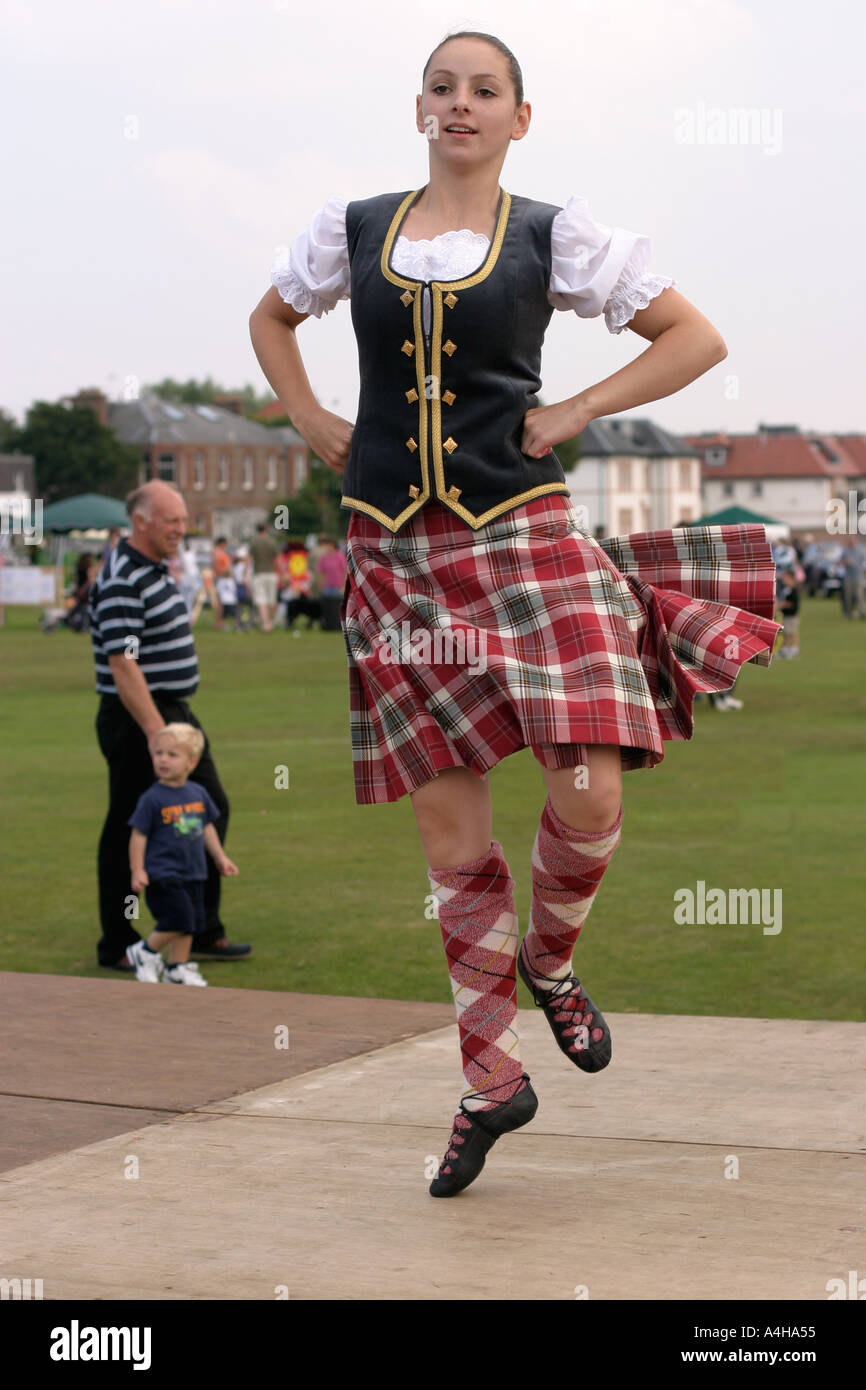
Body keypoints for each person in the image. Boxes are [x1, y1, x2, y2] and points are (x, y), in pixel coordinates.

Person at [249, 30, 782, 1198]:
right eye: (441, 88)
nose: (459, 105)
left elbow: (696, 337)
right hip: (394, 553)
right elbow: (269, 321)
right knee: (450, 844)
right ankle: (488, 1080)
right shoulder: (354, 230)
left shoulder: (553, 234)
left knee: (588, 788)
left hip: (526, 539)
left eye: (482, 91)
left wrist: (577, 406)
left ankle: (550, 960)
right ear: (419, 108)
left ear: (517, 118)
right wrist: (306, 417)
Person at [88, 481, 252, 970]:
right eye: (171, 520)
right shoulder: (123, 576)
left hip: (172, 712)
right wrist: (158, 732)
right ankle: (117, 941)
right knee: (130, 824)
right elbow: (124, 664)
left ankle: (194, 925)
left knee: (207, 807)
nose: (182, 528)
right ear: (141, 521)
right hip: (141, 717)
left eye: (183, 519)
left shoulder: (151, 568)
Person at [128, 723, 239, 985]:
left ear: (192, 762)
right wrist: (138, 870)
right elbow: (138, 835)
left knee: (193, 922)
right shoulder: (152, 798)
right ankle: (144, 952)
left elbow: (207, 826)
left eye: (172, 755)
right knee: (179, 918)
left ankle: (177, 967)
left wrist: (220, 857)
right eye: (159, 753)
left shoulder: (198, 793)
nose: (163, 760)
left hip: (195, 870)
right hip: (164, 872)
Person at [248, 522, 280, 631]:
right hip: (271, 573)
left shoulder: (254, 542)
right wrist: (284, 573)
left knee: (261, 600)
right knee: (271, 600)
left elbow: (249, 559)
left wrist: (244, 573)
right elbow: (278, 559)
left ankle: (266, 623)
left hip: (259, 574)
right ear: (266, 529)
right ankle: (268, 622)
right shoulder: (272, 542)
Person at [317, 536, 347, 631]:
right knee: (327, 607)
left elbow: (344, 571)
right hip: (327, 586)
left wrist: (343, 585)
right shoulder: (324, 557)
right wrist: (320, 584)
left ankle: (337, 626)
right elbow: (321, 572)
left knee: (336, 608)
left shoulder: (339, 556)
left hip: (338, 586)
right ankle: (328, 625)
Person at [775, 567, 801, 657]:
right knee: (786, 633)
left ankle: (794, 648)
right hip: (785, 615)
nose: (784, 580)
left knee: (792, 632)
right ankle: (785, 649)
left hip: (792, 615)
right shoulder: (786, 589)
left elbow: (793, 603)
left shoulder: (794, 590)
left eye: (786, 578)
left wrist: (782, 605)